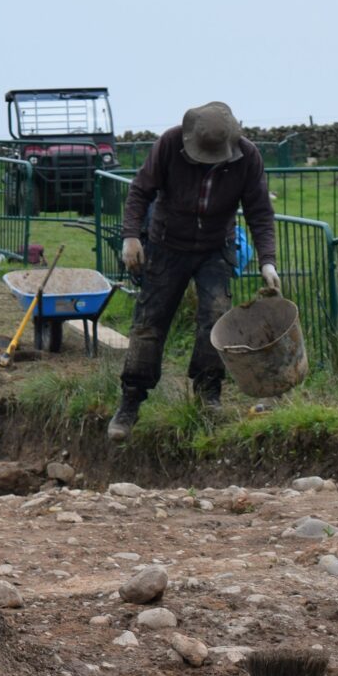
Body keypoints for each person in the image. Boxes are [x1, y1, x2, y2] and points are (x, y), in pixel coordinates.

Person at [111, 101, 280, 441]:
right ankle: (130, 402)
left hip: (215, 248)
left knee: (216, 320)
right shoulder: (170, 144)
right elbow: (140, 191)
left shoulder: (247, 157)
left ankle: (208, 395)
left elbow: (260, 211)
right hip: (166, 244)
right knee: (149, 324)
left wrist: (268, 261)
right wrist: (131, 237)